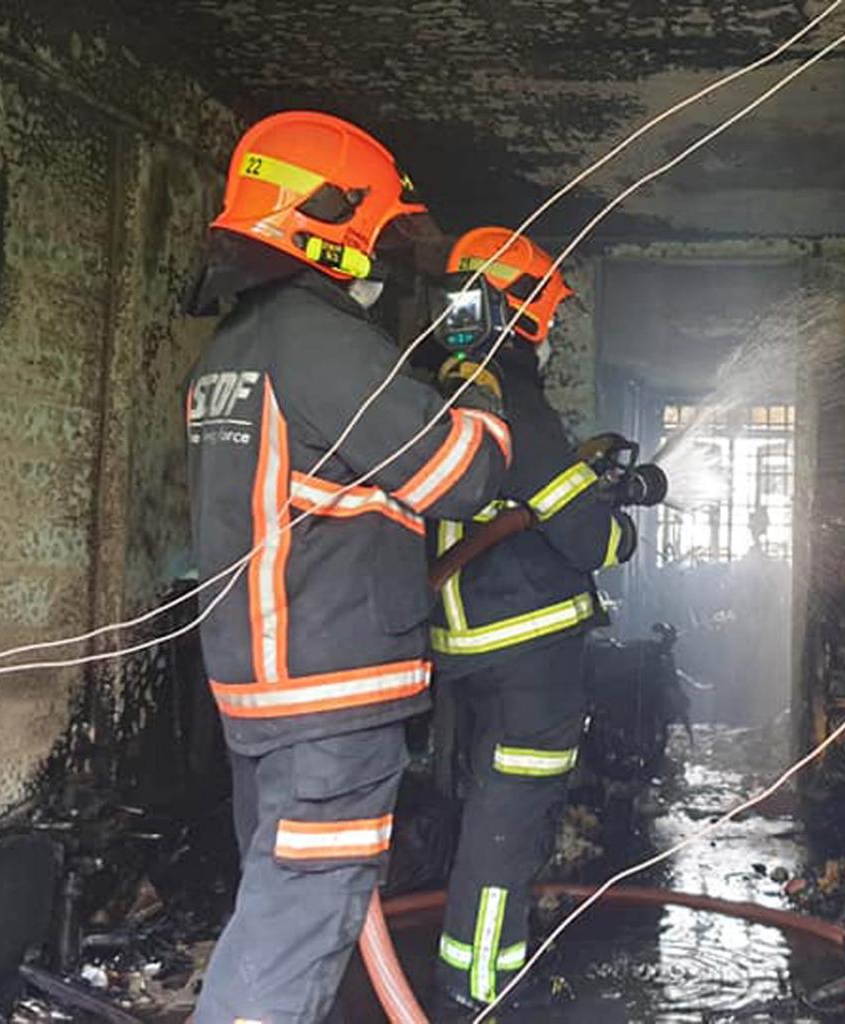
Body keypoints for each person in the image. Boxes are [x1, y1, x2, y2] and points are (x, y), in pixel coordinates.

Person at [184, 111, 512, 1024]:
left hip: (265, 691)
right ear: (330, 224)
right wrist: (476, 382)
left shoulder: (232, 349)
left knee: (280, 905)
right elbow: (463, 476)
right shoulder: (319, 344)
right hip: (330, 695)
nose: (382, 255)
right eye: (373, 232)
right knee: (293, 932)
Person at [425, 227, 640, 1011]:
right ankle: (479, 988)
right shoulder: (512, 389)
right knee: (508, 822)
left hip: (469, 644)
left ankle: (471, 967)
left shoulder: (446, 380)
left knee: (487, 806)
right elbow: (586, 535)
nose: (550, 335)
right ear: (525, 313)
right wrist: (621, 524)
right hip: (528, 650)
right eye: (547, 317)